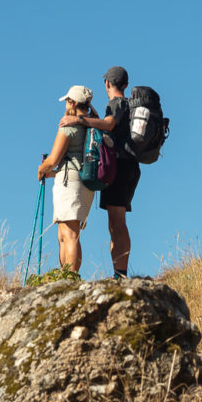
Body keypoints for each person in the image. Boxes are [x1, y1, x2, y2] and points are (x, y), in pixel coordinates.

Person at [61, 65, 138, 277]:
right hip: (130, 166)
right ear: (126, 84)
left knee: (116, 222)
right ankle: (120, 273)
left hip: (119, 166)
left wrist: (79, 118)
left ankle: (120, 275)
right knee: (118, 220)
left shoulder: (116, 104)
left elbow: (109, 124)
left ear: (107, 83)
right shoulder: (128, 104)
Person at [38, 84, 95, 273]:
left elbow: (53, 160)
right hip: (83, 181)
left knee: (69, 234)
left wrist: (42, 169)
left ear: (71, 102)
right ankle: (66, 277)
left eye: (67, 101)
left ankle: (71, 278)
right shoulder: (90, 122)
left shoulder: (68, 127)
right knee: (64, 234)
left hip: (69, 183)